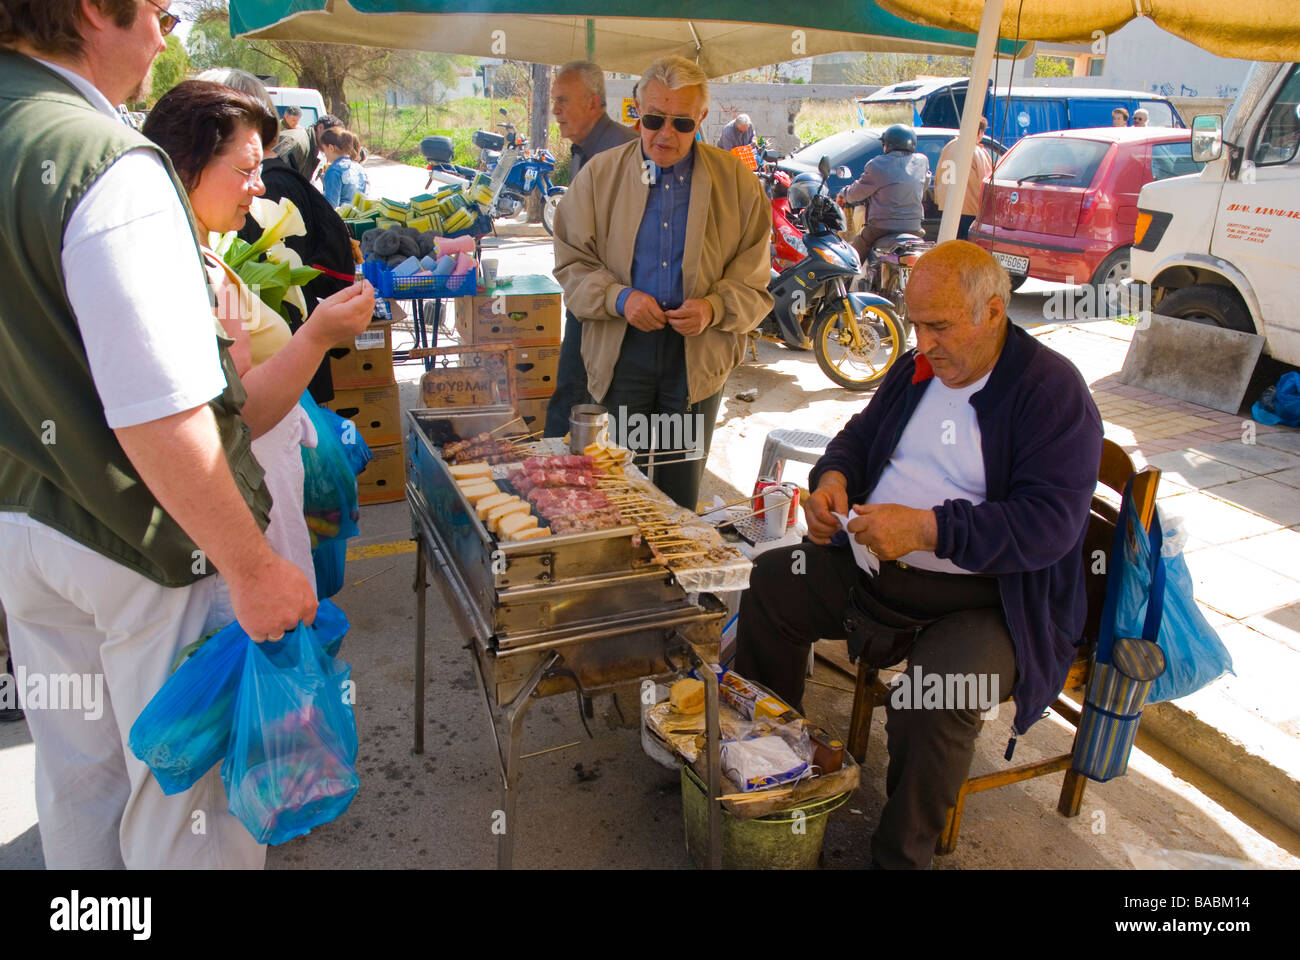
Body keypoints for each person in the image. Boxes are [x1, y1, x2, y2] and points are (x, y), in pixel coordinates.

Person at [0, 0, 318, 869]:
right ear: (96, 11)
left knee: (80, 780)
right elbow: (158, 408)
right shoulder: (104, 160)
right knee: (183, 808)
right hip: (139, 541)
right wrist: (252, 567)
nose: (168, 34)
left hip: (27, 526)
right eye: (159, 10)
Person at [733, 240, 1103, 869]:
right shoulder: (919, 368)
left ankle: (900, 859)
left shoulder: (1051, 391)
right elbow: (857, 437)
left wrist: (930, 530)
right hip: (875, 569)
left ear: (993, 312)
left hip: (988, 602)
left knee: (935, 694)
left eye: (939, 326)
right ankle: (773, 776)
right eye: (917, 324)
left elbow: (1050, 526)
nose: (923, 342)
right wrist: (833, 482)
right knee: (770, 580)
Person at [143, 79, 374, 600]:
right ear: (185, 167)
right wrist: (317, 336)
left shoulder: (207, 260)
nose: (262, 185)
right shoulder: (182, 274)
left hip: (263, 495)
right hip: (243, 512)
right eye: (246, 171)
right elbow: (239, 417)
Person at [552, 55, 772, 510]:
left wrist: (712, 308)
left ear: (702, 119)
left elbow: (754, 281)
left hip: (695, 356)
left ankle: (672, 581)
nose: (665, 135)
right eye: (652, 119)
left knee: (678, 487)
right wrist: (620, 298)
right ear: (635, 110)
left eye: (681, 122)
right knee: (614, 482)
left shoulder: (736, 183)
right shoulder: (600, 175)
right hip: (622, 350)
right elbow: (571, 263)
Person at [544, 60, 638, 439]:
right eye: (554, 101)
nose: (556, 111)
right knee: (570, 394)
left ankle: (559, 479)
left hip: (611, 304)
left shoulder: (623, 151)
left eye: (563, 100)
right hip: (587, 294)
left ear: (594, 102)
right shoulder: (584, 149)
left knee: (583, 399)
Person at [838, 123, 930, 260]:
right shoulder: (922, 161)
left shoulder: (877, 164)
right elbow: (924, 185)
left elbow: (856, 193)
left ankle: (848, 280)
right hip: (914, 226)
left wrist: (843, 195)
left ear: (887, 145)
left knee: (854, 255)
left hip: (881, 227)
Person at [934, 117, 993, 241]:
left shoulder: (948, 147)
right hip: (969, 209)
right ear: (980, 132)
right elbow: (986, 182)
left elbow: (938, 177)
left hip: (947, 207)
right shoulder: (976, 151)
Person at [320, 127, 369, 208]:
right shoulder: (359, 168)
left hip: (341, 218)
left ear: (331, 148)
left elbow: (331, 205)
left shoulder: (333, 171)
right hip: (359, 217)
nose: (324, 154)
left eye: (324, 150)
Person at [274, 104, 316, 178]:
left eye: (298, 120)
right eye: (293, 120)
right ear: (286, 116)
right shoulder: (275, 127)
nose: (296, 123)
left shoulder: (300, 131)